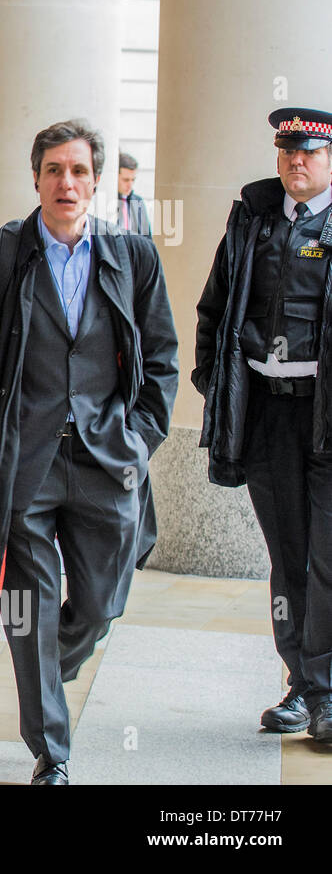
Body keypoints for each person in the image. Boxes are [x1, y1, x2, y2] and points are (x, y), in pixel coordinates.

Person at [0, 118, 178, 785]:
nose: (66, 183)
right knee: (31, 606)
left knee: (102, 602)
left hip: (108, 459)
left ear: (96, 180)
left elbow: (161, 357)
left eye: (78, 171)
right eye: (53, 170)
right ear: (36, 178)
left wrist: (140, 437)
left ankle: (56, 661)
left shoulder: (133, 256)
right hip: (27, 461)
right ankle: (53, 750)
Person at [194, 106, 332, 741]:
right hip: (268, 415)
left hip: (326, 416)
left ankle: (325, 690)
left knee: (327, 558)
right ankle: (303, 688)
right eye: (287, 151)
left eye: (308, 153)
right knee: (289, 554)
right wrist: (213, 381)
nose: (295, 162)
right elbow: (216, 303)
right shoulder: (252, 216)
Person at [116, 152, 152, 237]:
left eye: (133, 180)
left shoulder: (138, 201)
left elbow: (147, 237)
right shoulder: (106, 200)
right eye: (126, 180)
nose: (130, 185)